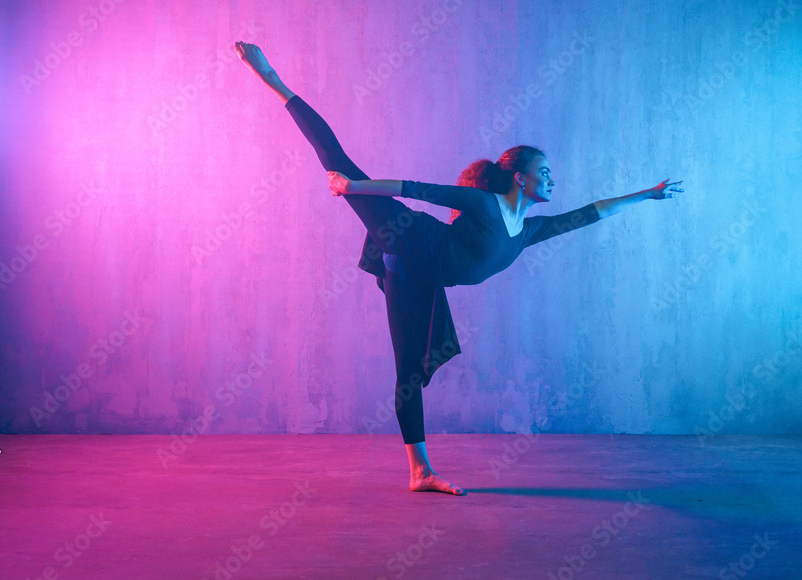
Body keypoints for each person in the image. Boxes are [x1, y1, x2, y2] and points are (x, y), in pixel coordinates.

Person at [235, 42, 684, 496]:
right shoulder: (485, 205)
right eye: (545, 171)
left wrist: (646, 194)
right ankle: (271, 77)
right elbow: (416, 189)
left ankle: (419, 472)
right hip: (410, 236)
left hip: (420, 278)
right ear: (520, 178)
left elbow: (590, 213)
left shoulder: (526, 231)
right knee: (337, 159)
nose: (552, 179)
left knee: (409, 372)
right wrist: (354, 187)